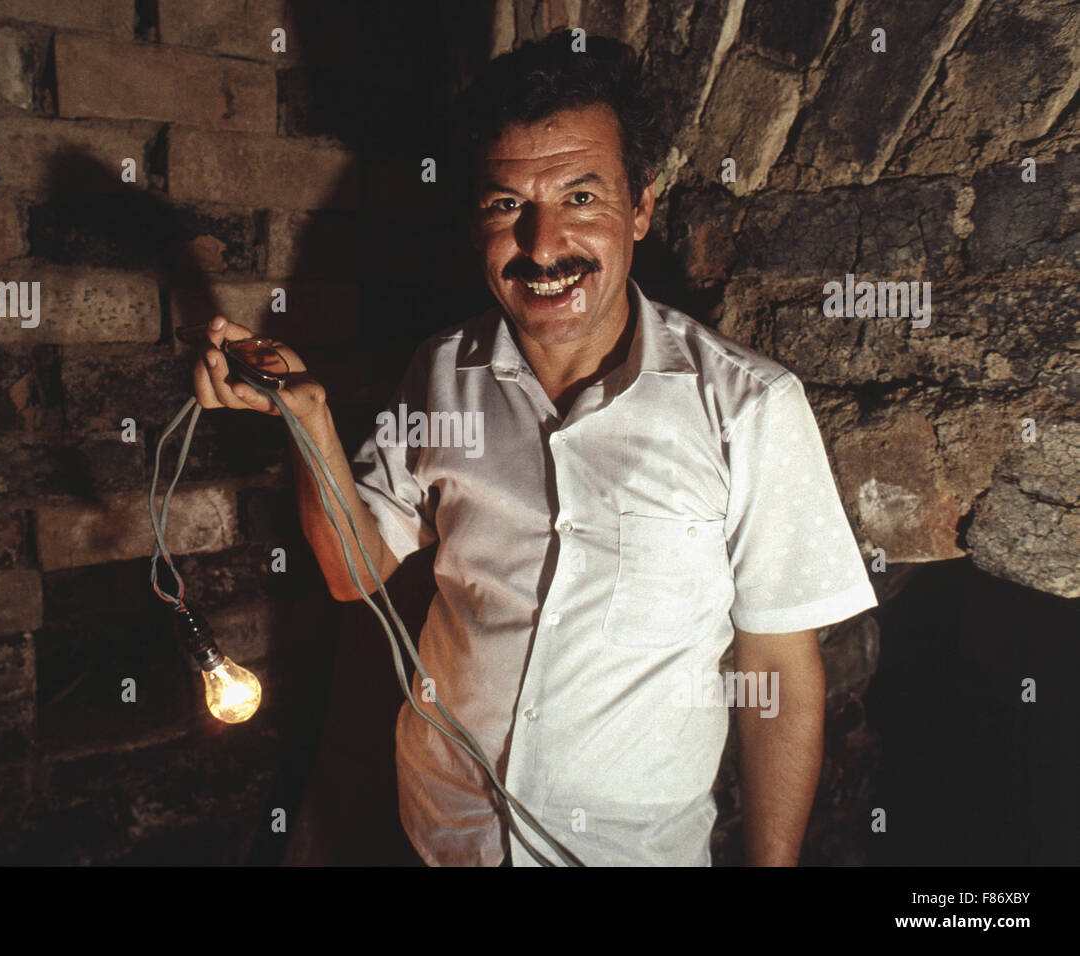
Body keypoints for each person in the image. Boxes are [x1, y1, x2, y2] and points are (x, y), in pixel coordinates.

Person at [193, 31, 878, 867]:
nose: (543, 243)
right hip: (445, 838)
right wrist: (308, 423)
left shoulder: (749, 406)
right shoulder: (441, 373)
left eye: (581, 197)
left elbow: (778, 668)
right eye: (506, 204)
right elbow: (356, 570)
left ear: (641, 206)